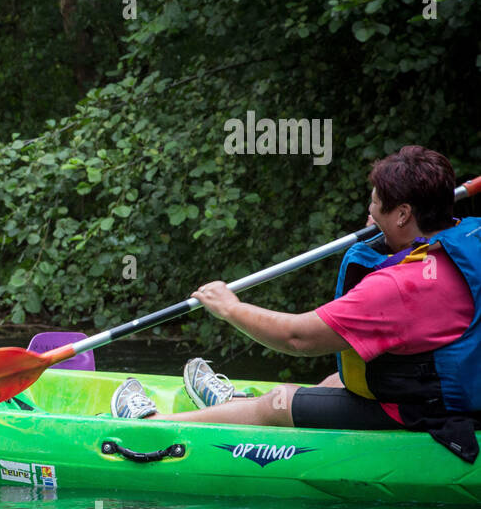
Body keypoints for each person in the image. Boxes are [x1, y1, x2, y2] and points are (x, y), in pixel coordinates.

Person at [110, 145, 481, 462]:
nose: (370, 212)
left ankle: (150, 427)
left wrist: (228, 307)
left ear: (402, 214)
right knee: (336, 382)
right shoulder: (471, 237)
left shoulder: (398, 287)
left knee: (278, 401)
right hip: (451, 393)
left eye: (376, 205)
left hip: (425, 413)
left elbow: (296, 338)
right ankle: (229, 405)